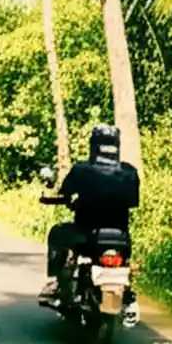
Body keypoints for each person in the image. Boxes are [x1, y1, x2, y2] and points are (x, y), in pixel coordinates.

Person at [39, 124, 140, 302]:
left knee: (57, 233)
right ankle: (128, 296)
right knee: (126, 263)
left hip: (84, 234)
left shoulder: (82, 169)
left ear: (94, 145)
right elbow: (133, 202)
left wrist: (72, 200)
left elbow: (65, 192)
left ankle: (57, 283)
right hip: (120, 237)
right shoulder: (129, 172)